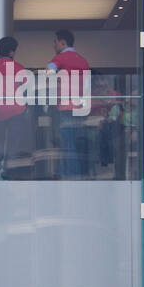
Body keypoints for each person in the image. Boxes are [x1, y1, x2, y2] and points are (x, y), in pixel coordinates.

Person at [0, 36, 32, 179]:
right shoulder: (19, 68)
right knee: (14, 140)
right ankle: (9, 169)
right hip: (16, 110)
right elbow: (26, 92)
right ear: (11, 52)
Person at [46, 29, 92, 178]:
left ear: (63, 42)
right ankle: (64, 171)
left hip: (65, 106)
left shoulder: (60, 58)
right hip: (79, 107)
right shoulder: (83, 60)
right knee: (73, 141)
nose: (54, 45)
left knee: (67, 142)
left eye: (55, 42)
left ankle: (71, 174)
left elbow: (48, 73)